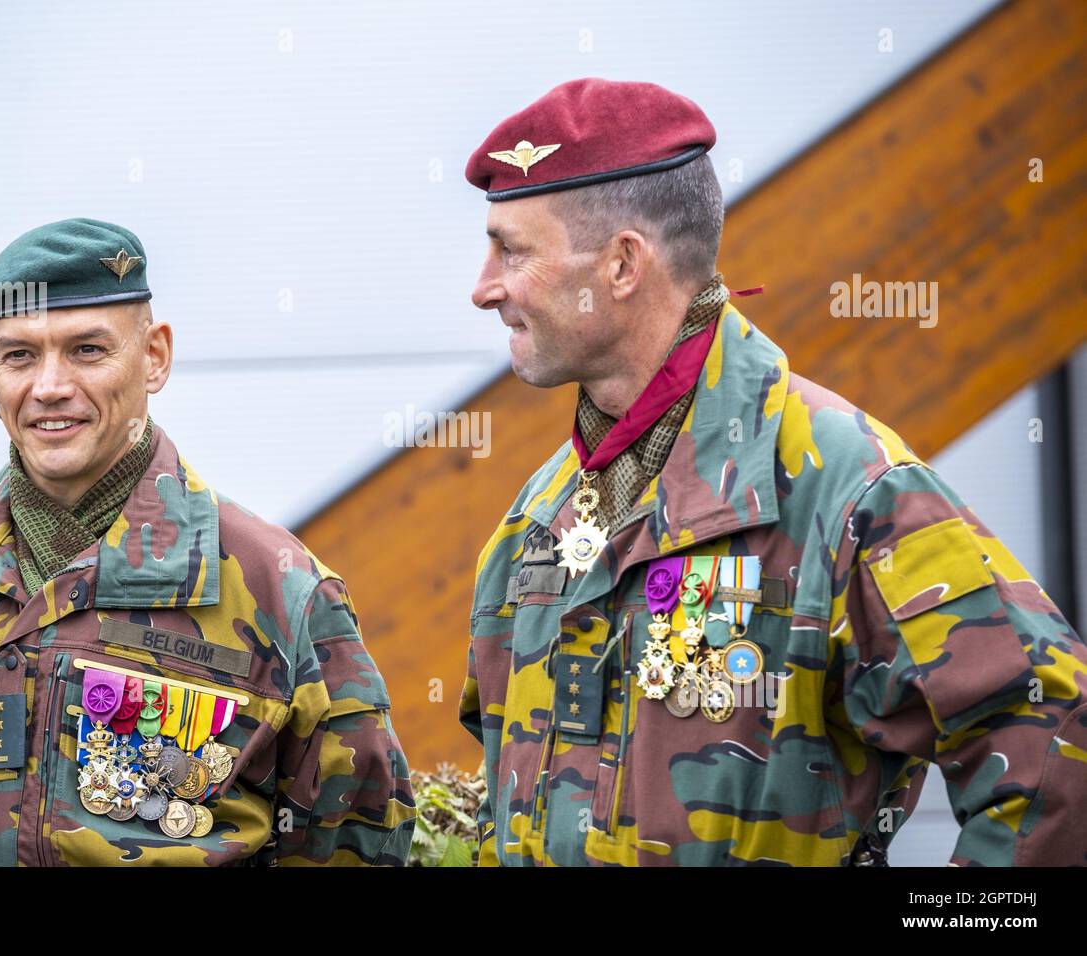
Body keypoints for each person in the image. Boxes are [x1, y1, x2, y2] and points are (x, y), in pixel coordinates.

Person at [456, 78, 1087, 866]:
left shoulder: (848, 490)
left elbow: (1054, 752)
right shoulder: (537, 522)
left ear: (622, 265)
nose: (484, 288)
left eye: (511, 250)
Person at [0, 218, 414, 866]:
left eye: (88, 350)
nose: (50, 386)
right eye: (19, 355)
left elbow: (357, 840)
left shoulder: (278, 590)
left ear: (154, 357)